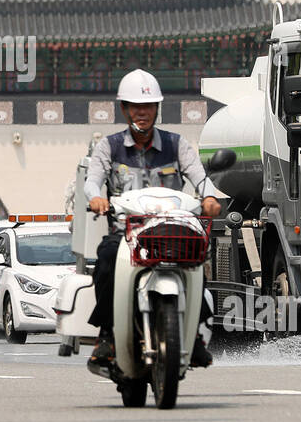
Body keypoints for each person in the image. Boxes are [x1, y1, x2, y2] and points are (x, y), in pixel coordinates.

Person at [84, 69, 221, 369]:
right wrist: (96, 197)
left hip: (170, 230)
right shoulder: (109, 146)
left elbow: (200, 177)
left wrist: (209, 197)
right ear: (124, 109)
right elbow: (93, 181)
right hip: (126, 233)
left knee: (197, 260)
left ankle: (195, 335)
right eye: (135, 106)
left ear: (157, 109)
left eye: (148, 107)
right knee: (106, 261)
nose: (142, 113)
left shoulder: (177, 144)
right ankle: (106, 335)